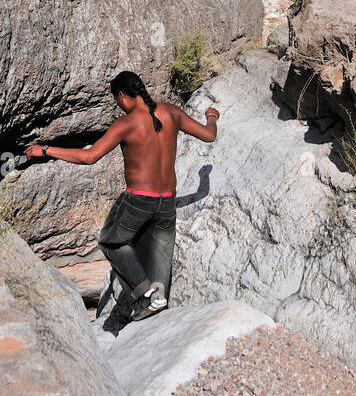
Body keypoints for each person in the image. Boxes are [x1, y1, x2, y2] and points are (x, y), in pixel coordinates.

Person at [24, 71, 219, 321]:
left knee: (110, 241)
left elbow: (90, 156)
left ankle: (143, 294)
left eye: (117, 100)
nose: (119, 105)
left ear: (123, 96)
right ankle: (155, 305)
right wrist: (211, 117)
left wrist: (47, 149)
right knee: (160, 266)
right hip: (167, 201)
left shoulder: (125, 124)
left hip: (139, 200)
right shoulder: (172, 112)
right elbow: (209, 135)